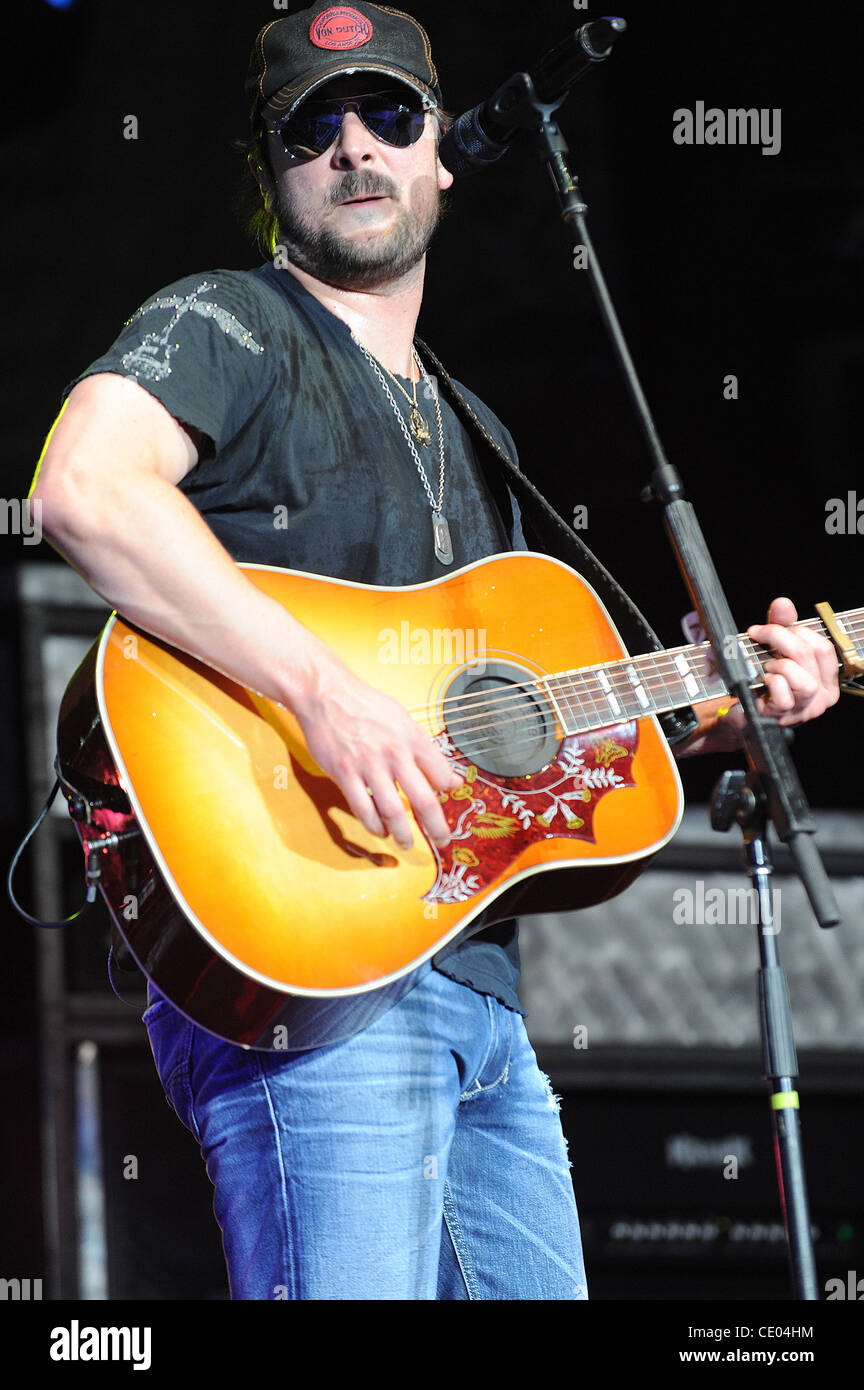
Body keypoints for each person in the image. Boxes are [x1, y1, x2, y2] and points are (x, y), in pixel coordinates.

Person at [30, 5, 840, 1300]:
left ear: (441, 156)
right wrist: (320, 692)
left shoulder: (479, 428)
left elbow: (525, 736)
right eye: (313, 126)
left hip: (480, 999)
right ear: (271, 172)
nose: (354, 147)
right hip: (307, 976)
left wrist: (720, 703)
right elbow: (83, 487)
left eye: (389, 114)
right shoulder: (232, 327)